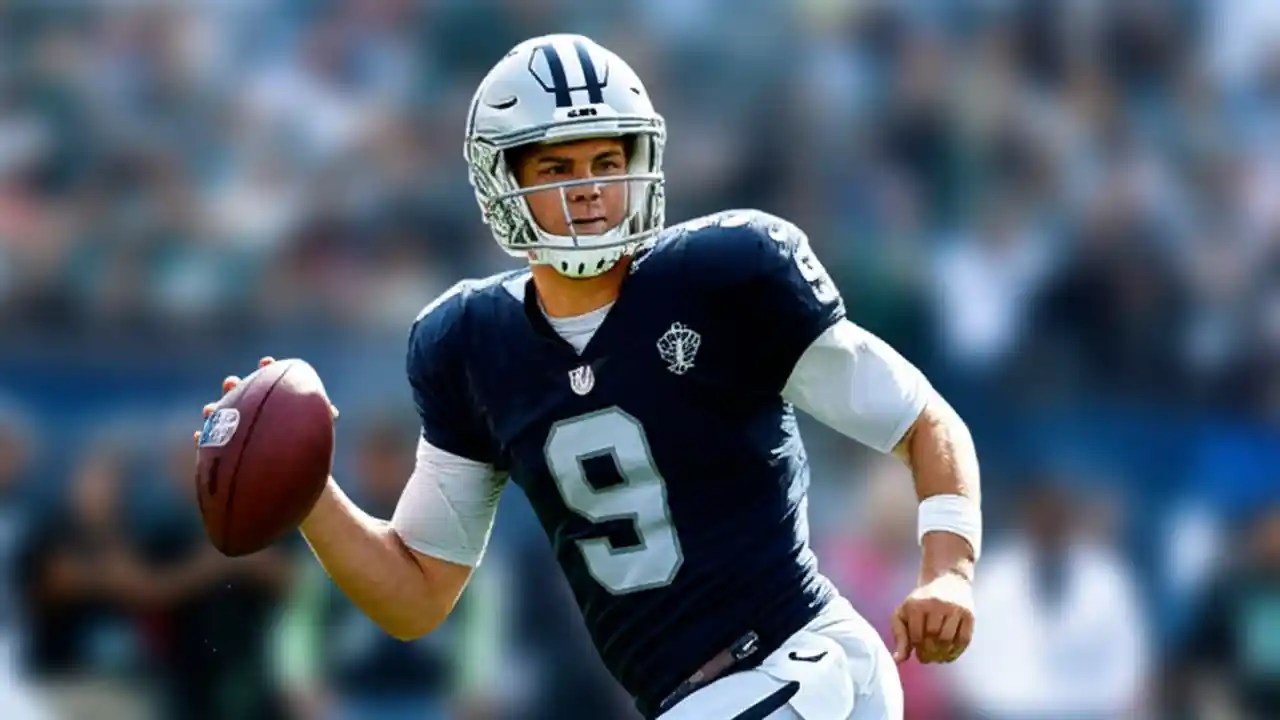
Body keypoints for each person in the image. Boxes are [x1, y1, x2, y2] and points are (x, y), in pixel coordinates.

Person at [199, 34, 982, 719]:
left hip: (798, 663)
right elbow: (418, 592)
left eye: (609, 159)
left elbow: (922, 422)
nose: (590, 189)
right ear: (501, 181)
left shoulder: (726, 276)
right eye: (558, 166)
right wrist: (310, 493)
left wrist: (947, 571)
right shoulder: (470, 343)